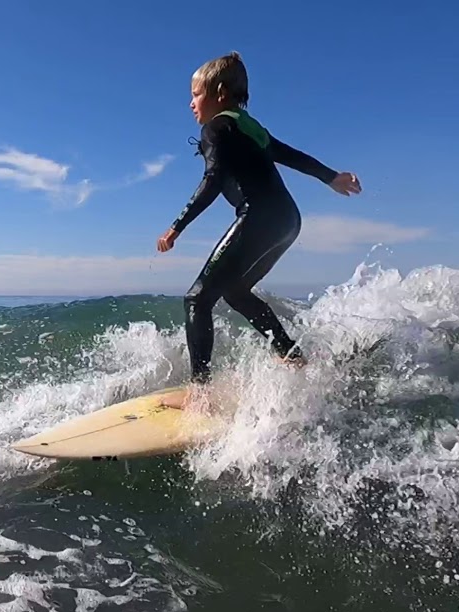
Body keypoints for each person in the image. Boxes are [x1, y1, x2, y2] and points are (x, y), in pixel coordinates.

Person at [155, 51, 361, 411]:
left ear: (219, 93)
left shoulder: (216, 127)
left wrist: (177, 227)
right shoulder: (252, 127)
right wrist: (332, 177)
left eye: (196, 94)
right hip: (288, 220)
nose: (191, 103)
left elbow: (213, 179)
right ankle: (293, 357)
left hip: (259, 217)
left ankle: (199, 394)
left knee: (196, 299)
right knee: (234, 290)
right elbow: (293, 156)